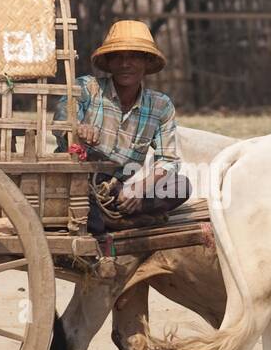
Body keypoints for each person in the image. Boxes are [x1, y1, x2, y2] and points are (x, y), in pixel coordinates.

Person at [56, 20, 190, 231]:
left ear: (147, 62)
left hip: (118, 189)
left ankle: (115, 217)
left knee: (181, 187)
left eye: (134, 56)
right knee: (86, 213)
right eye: (117, 57)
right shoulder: (87, 88)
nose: (125, 64)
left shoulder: (160, 106)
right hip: (78, 182)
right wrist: (78, 130)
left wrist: (140, 188)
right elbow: (62, 121)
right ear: (108, 63)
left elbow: (168, 159)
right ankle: (118, 221)